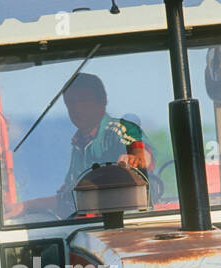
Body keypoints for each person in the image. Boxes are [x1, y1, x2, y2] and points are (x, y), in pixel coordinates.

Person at [58, 73, 153, 207]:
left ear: (102, 100)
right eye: (70, 103)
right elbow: (67, 195)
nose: (76, 109)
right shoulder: (78, 144)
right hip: (89, 221)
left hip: (131, 217)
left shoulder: (120, 128)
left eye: (84, 101)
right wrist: (24, 206)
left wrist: (134, 158)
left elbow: (142, 155)